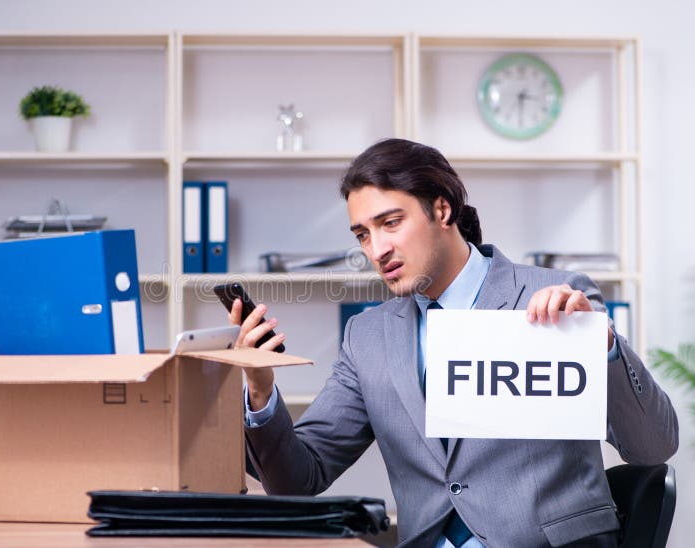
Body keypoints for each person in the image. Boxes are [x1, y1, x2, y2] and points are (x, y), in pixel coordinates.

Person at [228, 138, 678, 547]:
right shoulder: (368, 337)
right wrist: (261, 389)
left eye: (391, 223)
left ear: (441, 211)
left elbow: (651, 447)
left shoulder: (559, 298)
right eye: (363, 234)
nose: (376, 250)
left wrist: (599, 344)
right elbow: (298, 480)